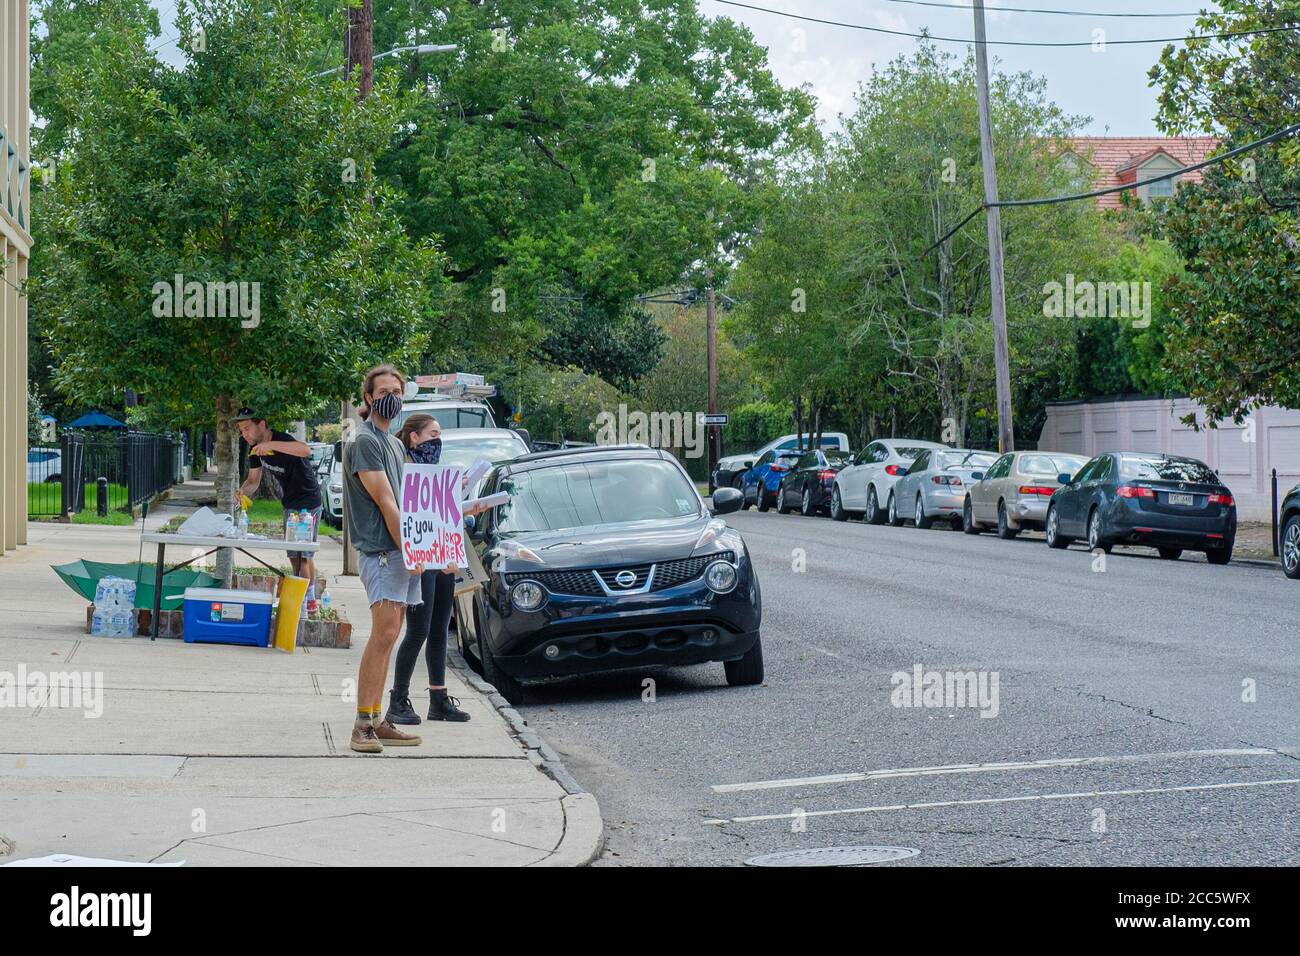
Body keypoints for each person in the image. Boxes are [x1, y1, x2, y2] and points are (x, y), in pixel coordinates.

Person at [341, 365, 424, 753]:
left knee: (391, 635)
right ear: (369, 398)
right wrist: (410, 548)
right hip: (383, 551)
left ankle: (378, 719)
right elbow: (387, 501)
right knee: (384, 633)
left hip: (398, 549)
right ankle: (362, 726)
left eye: (397, 390)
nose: (392, 396)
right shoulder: (366, 441)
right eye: (384, 390)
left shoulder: (392, 442)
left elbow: (410, 501)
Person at [386, 414, 488, 725]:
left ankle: (438, 698)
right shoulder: (403, 469)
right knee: (418, 629)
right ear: (414, 437)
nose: (438, 440)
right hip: (420, 555)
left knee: (440, 627)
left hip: (444, 552)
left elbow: (443, 512)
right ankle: (398, 700)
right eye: (433, 434)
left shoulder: (439, 474)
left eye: (439, 434)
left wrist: (467, 504)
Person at [234, 410, 323, 592]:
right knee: (297, 555)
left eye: (247, 429)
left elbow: (305, 450)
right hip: (290, 502)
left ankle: (304, 601)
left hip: (308, 501)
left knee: (300, 556)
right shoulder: (255, 451)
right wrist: (242, 491)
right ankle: (310, 597)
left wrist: (271, 445)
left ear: (262, 424)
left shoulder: (282, 439)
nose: (245, 434)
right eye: (242, 431)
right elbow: (253, 482)